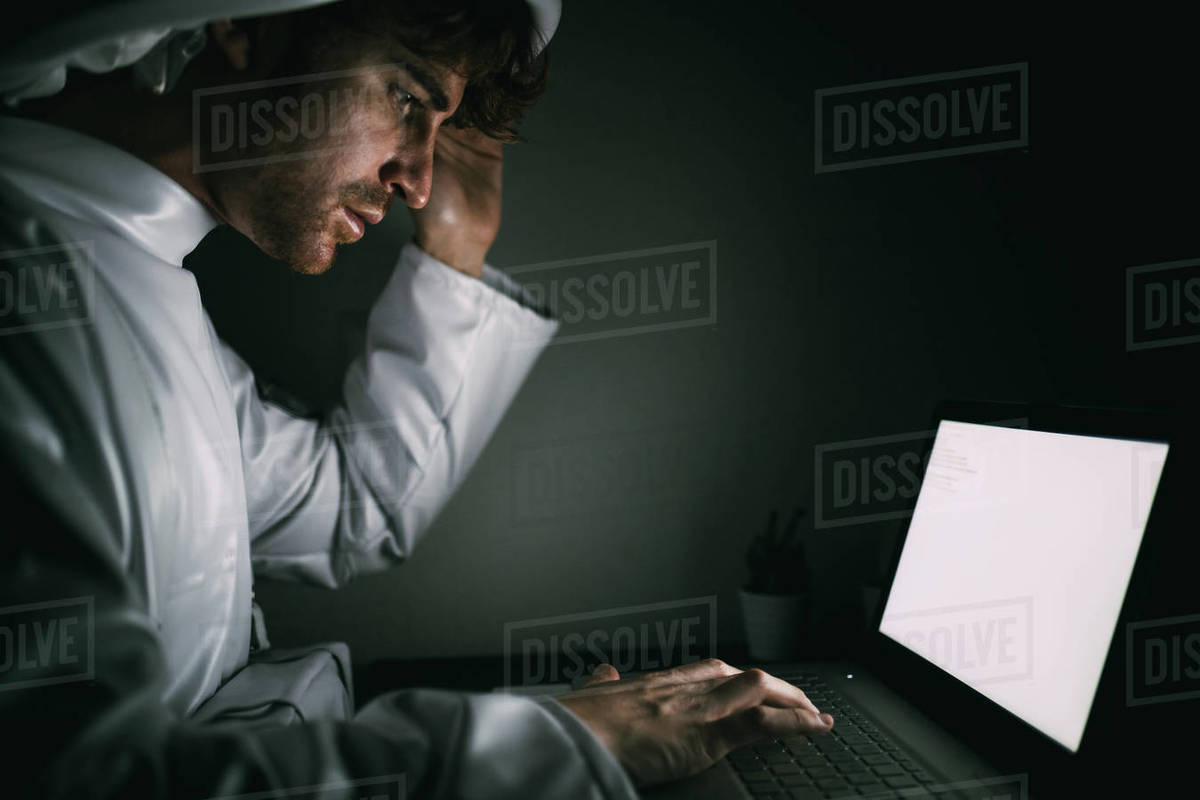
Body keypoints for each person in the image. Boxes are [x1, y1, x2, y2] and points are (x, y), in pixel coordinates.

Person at [0, 1, 833, 797]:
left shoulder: (135, 275)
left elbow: (350, 511)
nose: (422, 181)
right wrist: (564, 745)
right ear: (244, 25)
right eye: (406, 96)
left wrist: (457, 249)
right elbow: (82, 781)